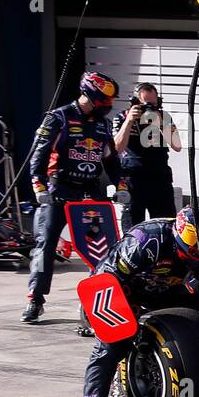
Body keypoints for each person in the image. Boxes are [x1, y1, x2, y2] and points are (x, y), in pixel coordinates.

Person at [72, 206, 199, 397]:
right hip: (124, 291)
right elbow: (104, 279)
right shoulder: (146, 241)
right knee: (108, 351)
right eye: (198, 248)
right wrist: (124, 315)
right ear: (181, 235)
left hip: (168, 291)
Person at [23, 71, 125, 324]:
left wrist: (121, 185)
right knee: (46, 244)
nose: (109, 106)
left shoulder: (102, 124)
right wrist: (39, 186)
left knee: (101, 248)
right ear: (89, 94)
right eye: (105, 101)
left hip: (89, 192)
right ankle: (35, 300)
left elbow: (110, 158)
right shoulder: (58, 118)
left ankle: (95, 303)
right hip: (58, 190)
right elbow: (38, 154)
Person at [112, 83, 182, 228]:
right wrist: (129, 122)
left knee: (167, 225)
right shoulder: (122, 118)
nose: (149, 109)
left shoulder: (163, 117)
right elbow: (116, 149)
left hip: (160, 178)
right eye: (145, 105)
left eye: (154, 104)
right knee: (132, 227)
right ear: (134, 103)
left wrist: (160, 124)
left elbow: (177, 145)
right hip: (133, 179)